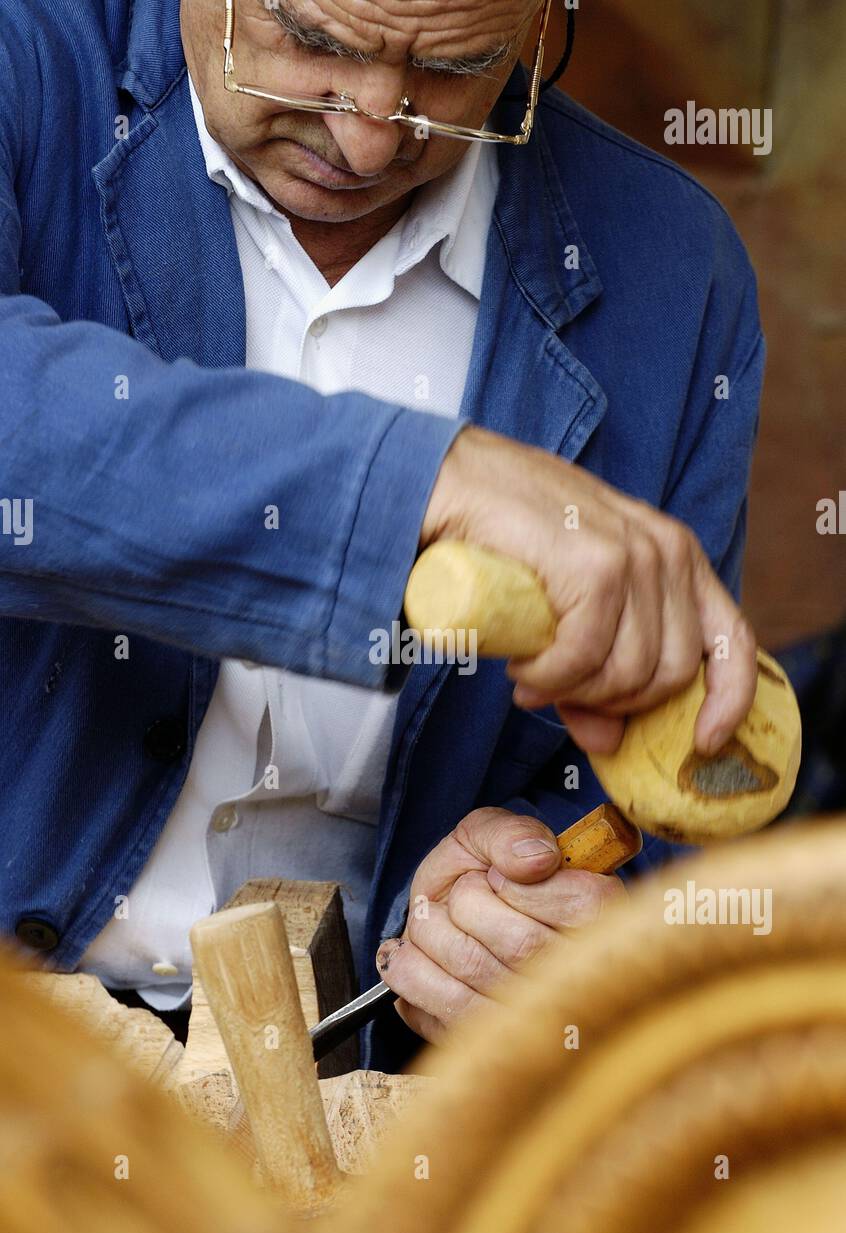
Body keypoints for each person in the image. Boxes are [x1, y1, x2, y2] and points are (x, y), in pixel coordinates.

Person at [0, 0, 761, 1069]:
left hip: (379, 1115)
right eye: (315, 45)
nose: (367, 137)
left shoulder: (675, 273)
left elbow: (660, 798)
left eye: (458, 71)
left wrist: (528, 917)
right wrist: (417, 486)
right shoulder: (23, 69)